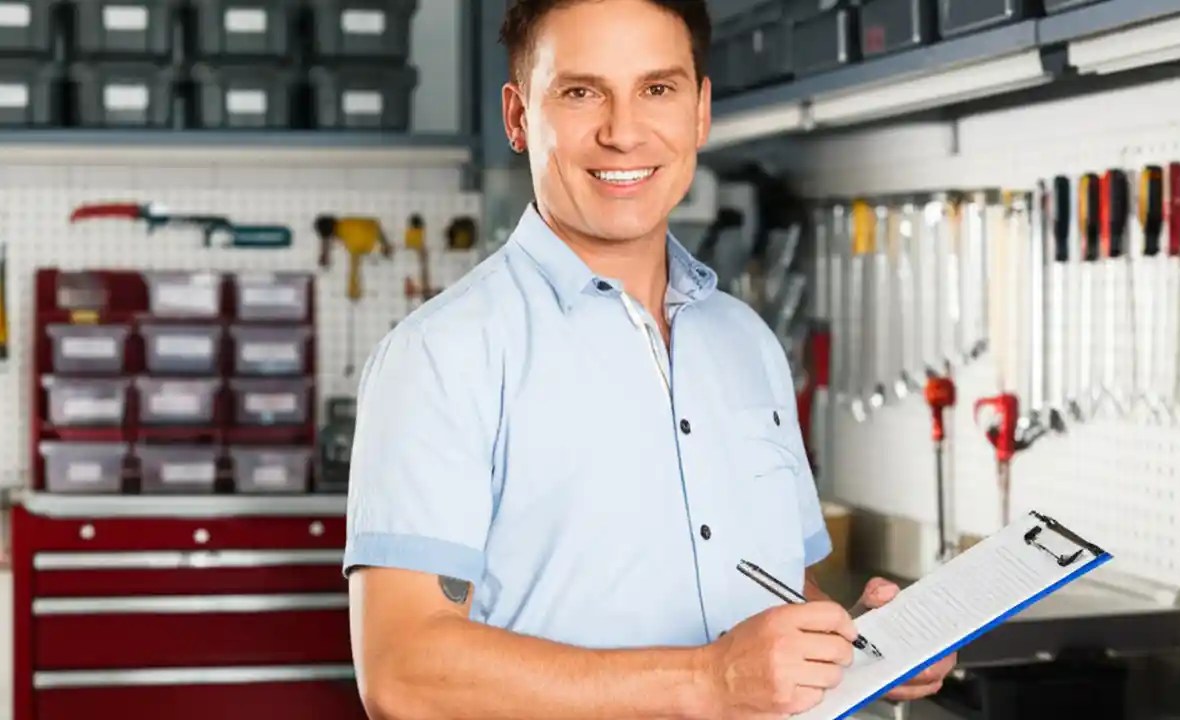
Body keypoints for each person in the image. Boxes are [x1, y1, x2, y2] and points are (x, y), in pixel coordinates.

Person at [343, 1, 956, 718]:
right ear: (517, 116)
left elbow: (777, 592)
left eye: (657, 90)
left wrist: (864, 643)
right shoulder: (442, 356)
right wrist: (708, 680)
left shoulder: (746, 342)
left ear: (699, 111)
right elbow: (404, 673)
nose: (623, 132)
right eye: (580, 92)